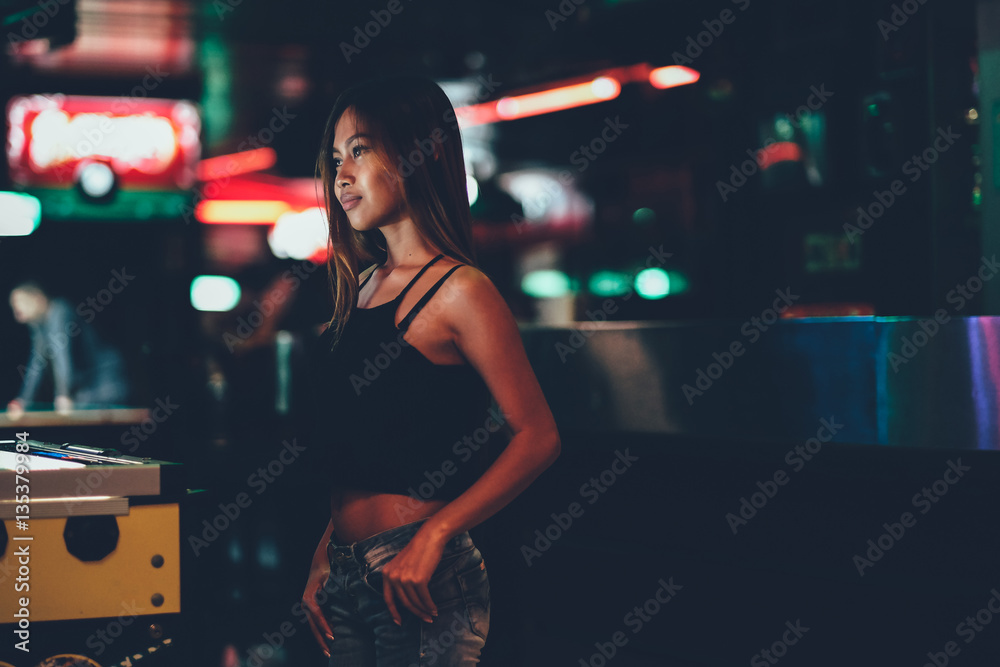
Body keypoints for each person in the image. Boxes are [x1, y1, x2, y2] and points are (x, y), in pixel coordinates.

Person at [300, 75, 561, 665]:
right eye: (335, 157)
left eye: (360, 149)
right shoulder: (360, 288)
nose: (341, 174)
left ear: (422, 152)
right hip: (343, 571)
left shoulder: (462, 290)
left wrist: (436, 534)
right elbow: (362, 448)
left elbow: (539, 436)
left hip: (424, 576)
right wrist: (326, 550)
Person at [6, 281, 129, 418]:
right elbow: (37, 363)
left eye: (20, 302)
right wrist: (23, 401)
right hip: (86, 390)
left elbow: (62, 355)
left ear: (38, 298)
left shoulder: (60, 311)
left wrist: (64, 394)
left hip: (105, 384)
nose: (17, 310)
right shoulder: (38, 325)